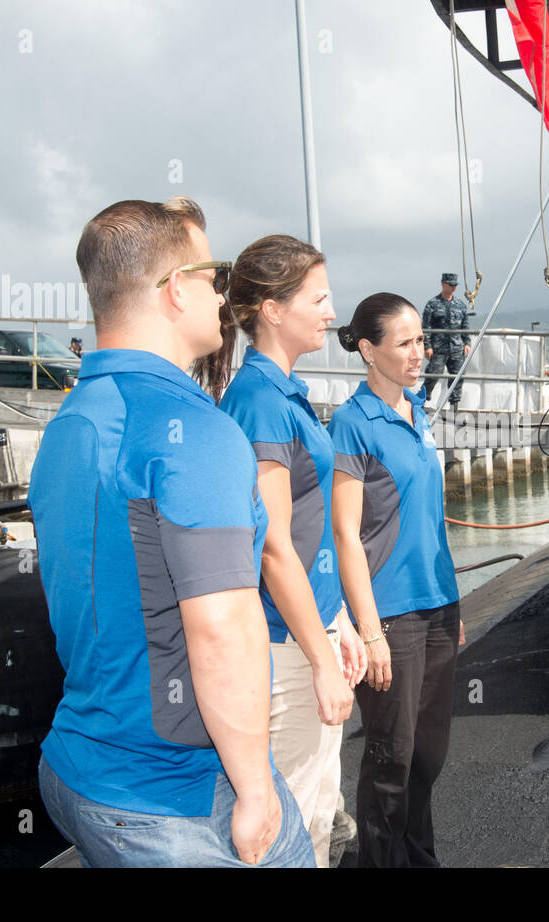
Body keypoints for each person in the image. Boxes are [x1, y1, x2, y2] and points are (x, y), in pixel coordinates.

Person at [30, 197, 313, 868]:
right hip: (176, 789)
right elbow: (222, 626)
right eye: (213, 274)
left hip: (82, 762)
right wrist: (252, 788)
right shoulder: (196, 433)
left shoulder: (67, 426)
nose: (223, 293)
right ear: (175, 289)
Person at [196, 234, 367, 868]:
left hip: (308, 632)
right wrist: (322, 660)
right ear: (273, 309)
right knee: (291, 832)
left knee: (320, 815)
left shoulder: (280, 393)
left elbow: (307, 536)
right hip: (286, 649)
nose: (330, 312)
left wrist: (339, 620)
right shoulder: (263, 402)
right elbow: (272, 548)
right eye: (318, 298)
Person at [329, 293, 465, 867]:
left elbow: (430, 521)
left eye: (422, 341)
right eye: (406, 343)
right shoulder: (352, 424)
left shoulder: (419, 410)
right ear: (368, 349)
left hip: (436, 607)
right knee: (391, 761)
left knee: (428, 757)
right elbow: (345, 536)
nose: (421, 353)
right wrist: (369, 630)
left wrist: (452, 605)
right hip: (390, 614)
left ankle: (419, 860)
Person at [418, 272, 470, 411]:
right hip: (438, 348)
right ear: (443, 284)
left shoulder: (460, 305)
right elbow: (426, 327)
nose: (453, 288)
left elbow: (465, 326)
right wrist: (427, 347)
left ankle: (455, 407)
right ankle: (420, 403)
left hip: (456, 348)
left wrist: (467, 343)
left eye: (454, 285)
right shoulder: (433, 304)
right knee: (432, 375)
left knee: (457, 377)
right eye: (450, 285)